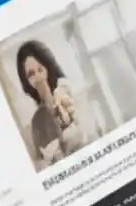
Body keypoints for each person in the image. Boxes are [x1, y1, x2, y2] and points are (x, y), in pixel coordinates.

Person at [15, 40, 95, 169]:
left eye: (40, 69)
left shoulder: (67, 91)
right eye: (31, 74)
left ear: (47, 67)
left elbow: (91, 131)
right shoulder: (37, 120)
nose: (37, 77)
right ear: (26, 81)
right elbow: (41, 161)